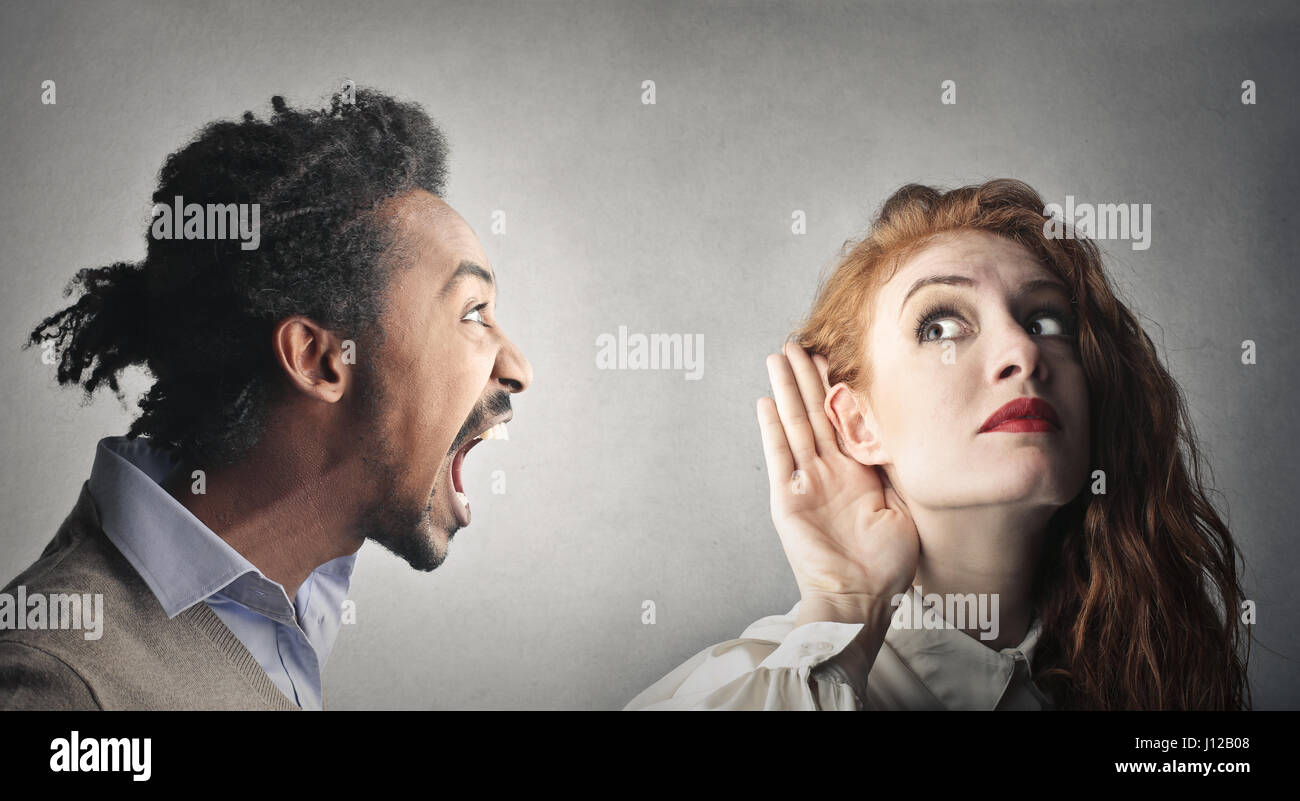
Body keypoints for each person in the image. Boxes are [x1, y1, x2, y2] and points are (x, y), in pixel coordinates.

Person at [0, 87, 532, 710]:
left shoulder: (294, 599)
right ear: (318, 359)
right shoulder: (62, 685)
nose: (517, 368)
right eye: (474, 313)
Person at [627, 179, 1250, 710]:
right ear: (858, 425)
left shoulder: (1150, 673)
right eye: (940, 326)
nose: (1023, 351)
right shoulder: (744, 687)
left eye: (1045, 321)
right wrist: (846, 605)